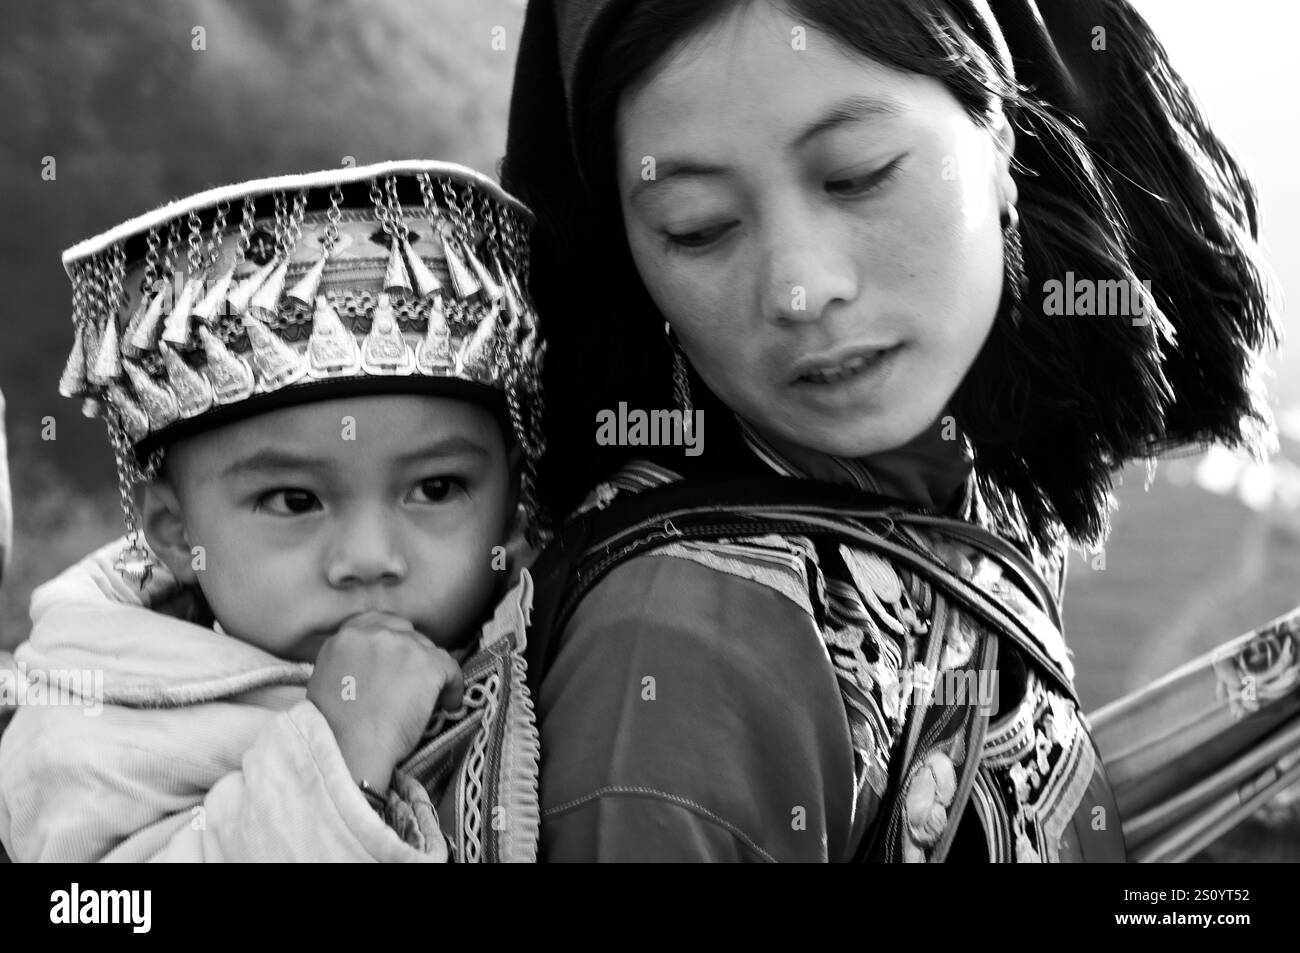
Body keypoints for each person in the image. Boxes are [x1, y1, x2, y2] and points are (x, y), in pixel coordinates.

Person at [500, 0, 1279, 860]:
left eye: (858, 174)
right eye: (700, 227)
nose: (800, 288)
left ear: (1000, 144)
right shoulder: (678, 654)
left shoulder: (967, 501)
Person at [0, 161, 546, 862]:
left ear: (512, 503)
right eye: (294, 500)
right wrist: (339, 760)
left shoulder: (559, 644)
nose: (371, 557)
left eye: (436, 488)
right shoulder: (90, 729)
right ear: (174, 532)